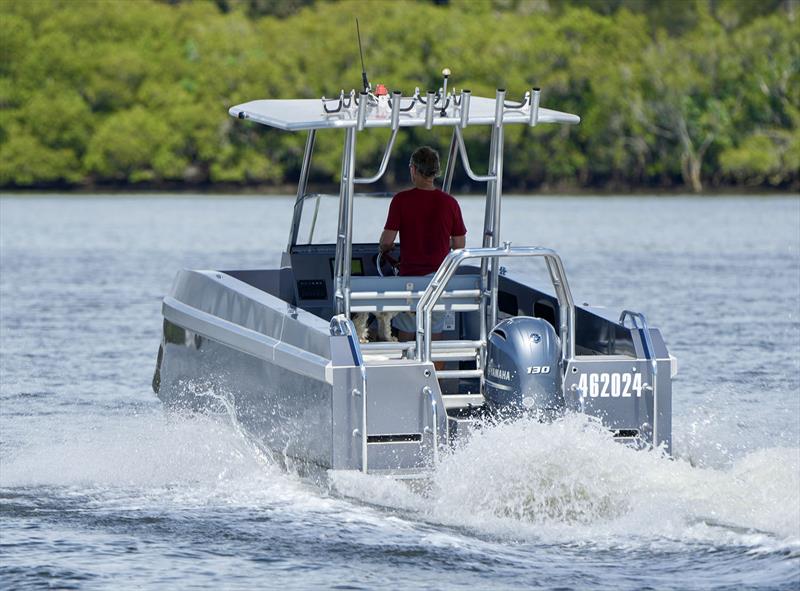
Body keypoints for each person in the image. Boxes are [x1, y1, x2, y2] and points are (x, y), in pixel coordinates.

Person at [379, 146, 467, 345]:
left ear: (414, 170)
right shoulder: (450, 203)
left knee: (406, 332)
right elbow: (460, 245)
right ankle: (439, 377)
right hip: (438, 281)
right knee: (434, 334)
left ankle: (403, 374)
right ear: (435, 172)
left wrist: (384, 250)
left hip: (410, 281)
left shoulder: (401, 201)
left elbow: (386, 242)